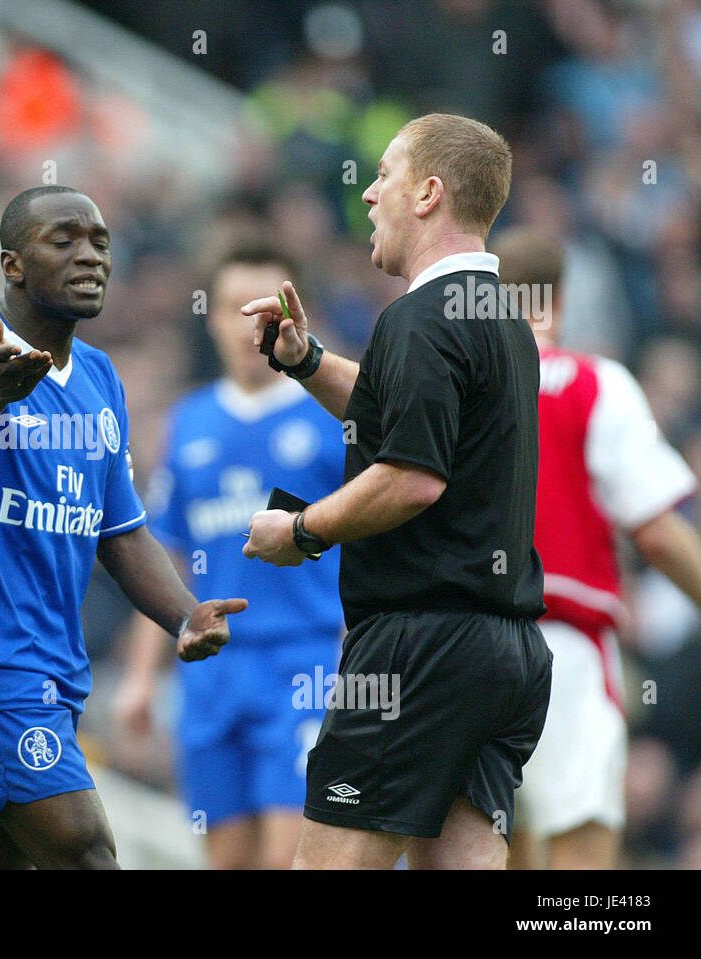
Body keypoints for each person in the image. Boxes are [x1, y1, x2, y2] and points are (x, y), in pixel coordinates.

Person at [0, 185, 248, 869]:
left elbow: (119, 531)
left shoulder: (99, 378)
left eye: (99, 241)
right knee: (84, 846)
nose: (90, 255)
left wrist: (184, 613)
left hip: (54, 671)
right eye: (64, 240)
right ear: (13, 264)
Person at [242, 113, 551, 869]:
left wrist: (302, 532)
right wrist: (307, 359)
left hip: (417, 649)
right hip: (505, 655)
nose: (370, 193)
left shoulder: (418, 320)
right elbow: (405, 422)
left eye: (384, 175)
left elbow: (412, 474)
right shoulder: (501, 318)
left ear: (428, 194)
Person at [113, 245, 345, 869]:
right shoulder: (189, 422)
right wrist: (140, 678)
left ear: (293, 317)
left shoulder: (331, 416)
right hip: (211, 675)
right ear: (210, 318)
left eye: (263, 311)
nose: (248, 329)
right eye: (231, 309)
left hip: (304, 664)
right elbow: (164, 555)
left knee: (288, 861)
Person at [490, 226, 701, 869]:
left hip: (460, 650)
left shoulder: (449, 393)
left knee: (491, 849)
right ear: (559, 296)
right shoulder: (593, 384)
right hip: (564, 651)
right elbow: (657, 530)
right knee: (578, 869)